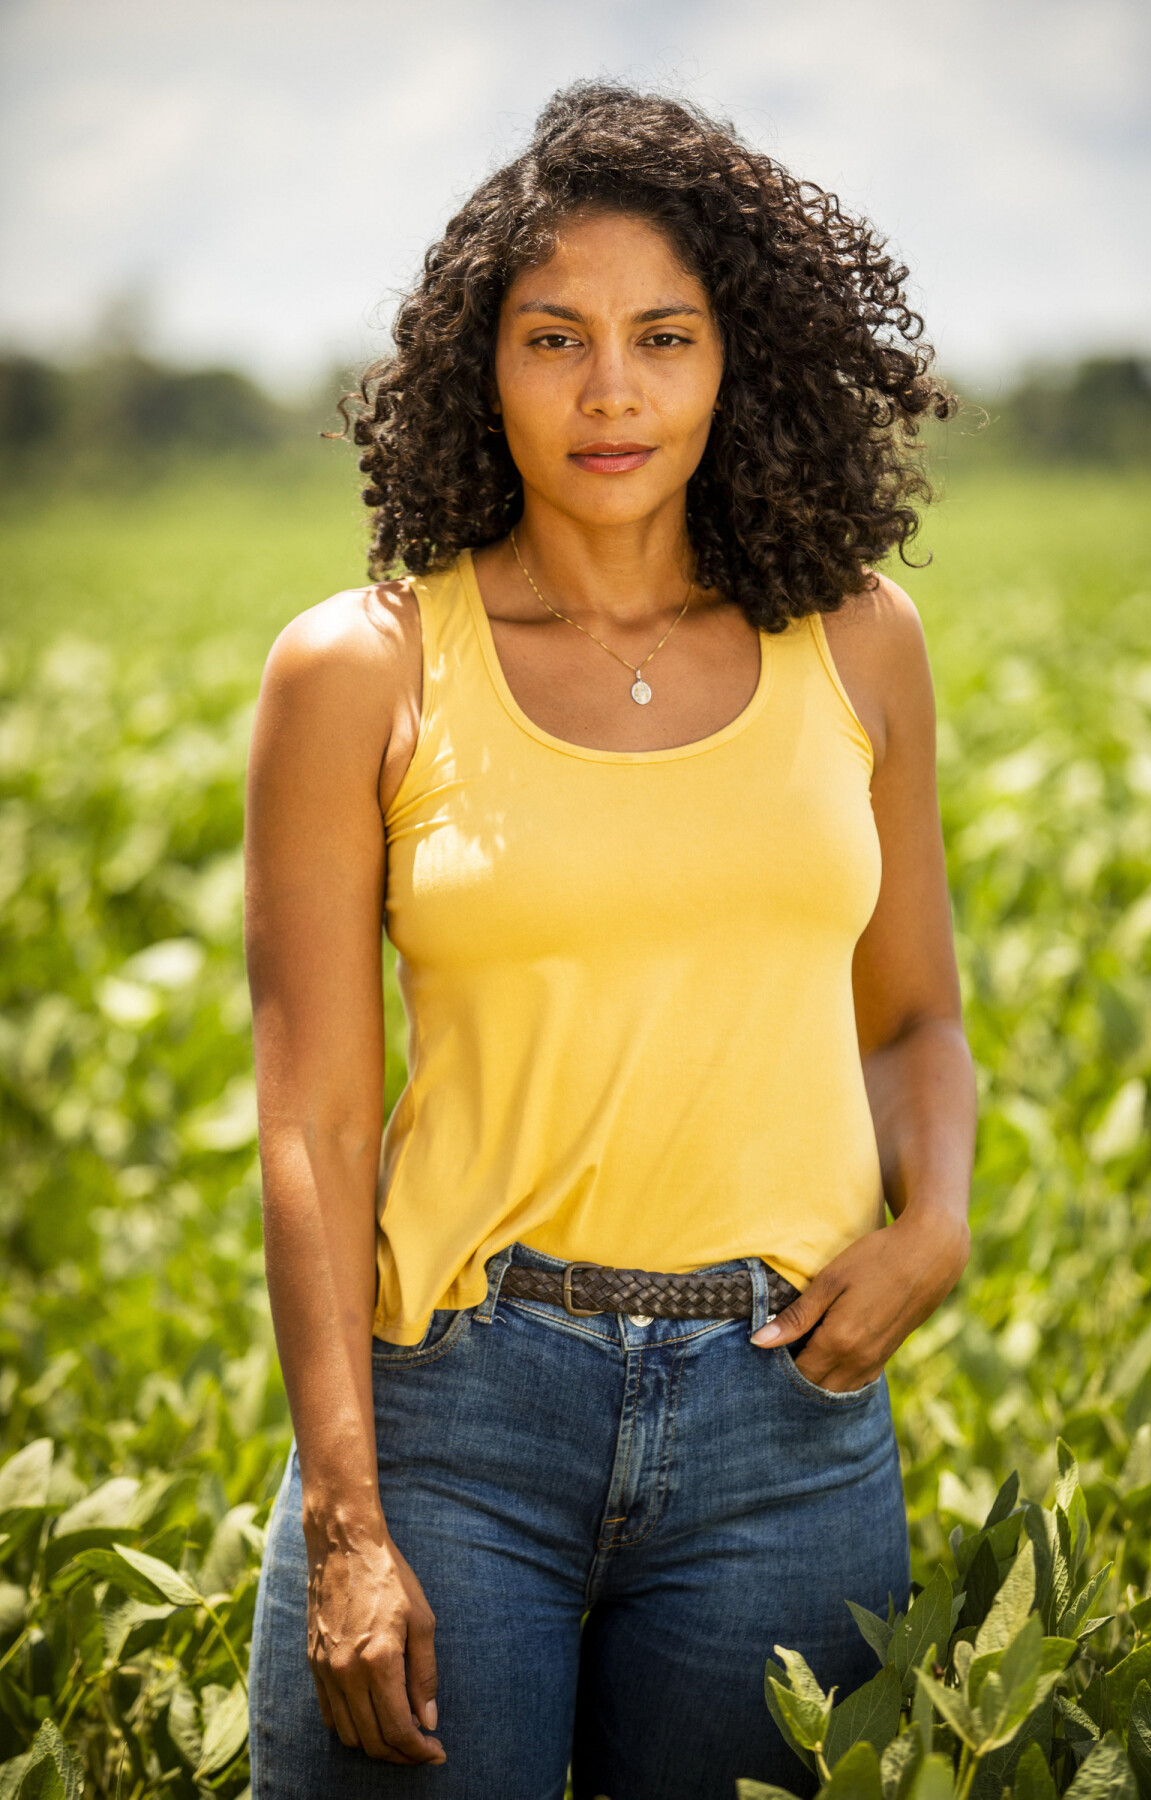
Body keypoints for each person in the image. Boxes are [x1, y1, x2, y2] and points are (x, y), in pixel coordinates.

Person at [244, 80, 976, 1800]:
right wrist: (348, 1522)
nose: (612, 391)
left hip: (787, 1429)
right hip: (453, 1428)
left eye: (664, 336)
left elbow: (916, 1022)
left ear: (742, 360)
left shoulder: (859, 643)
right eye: (553, 338)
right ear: (474, 368)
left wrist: (935, 1220)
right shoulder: (361, 669)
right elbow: (313, 1126)